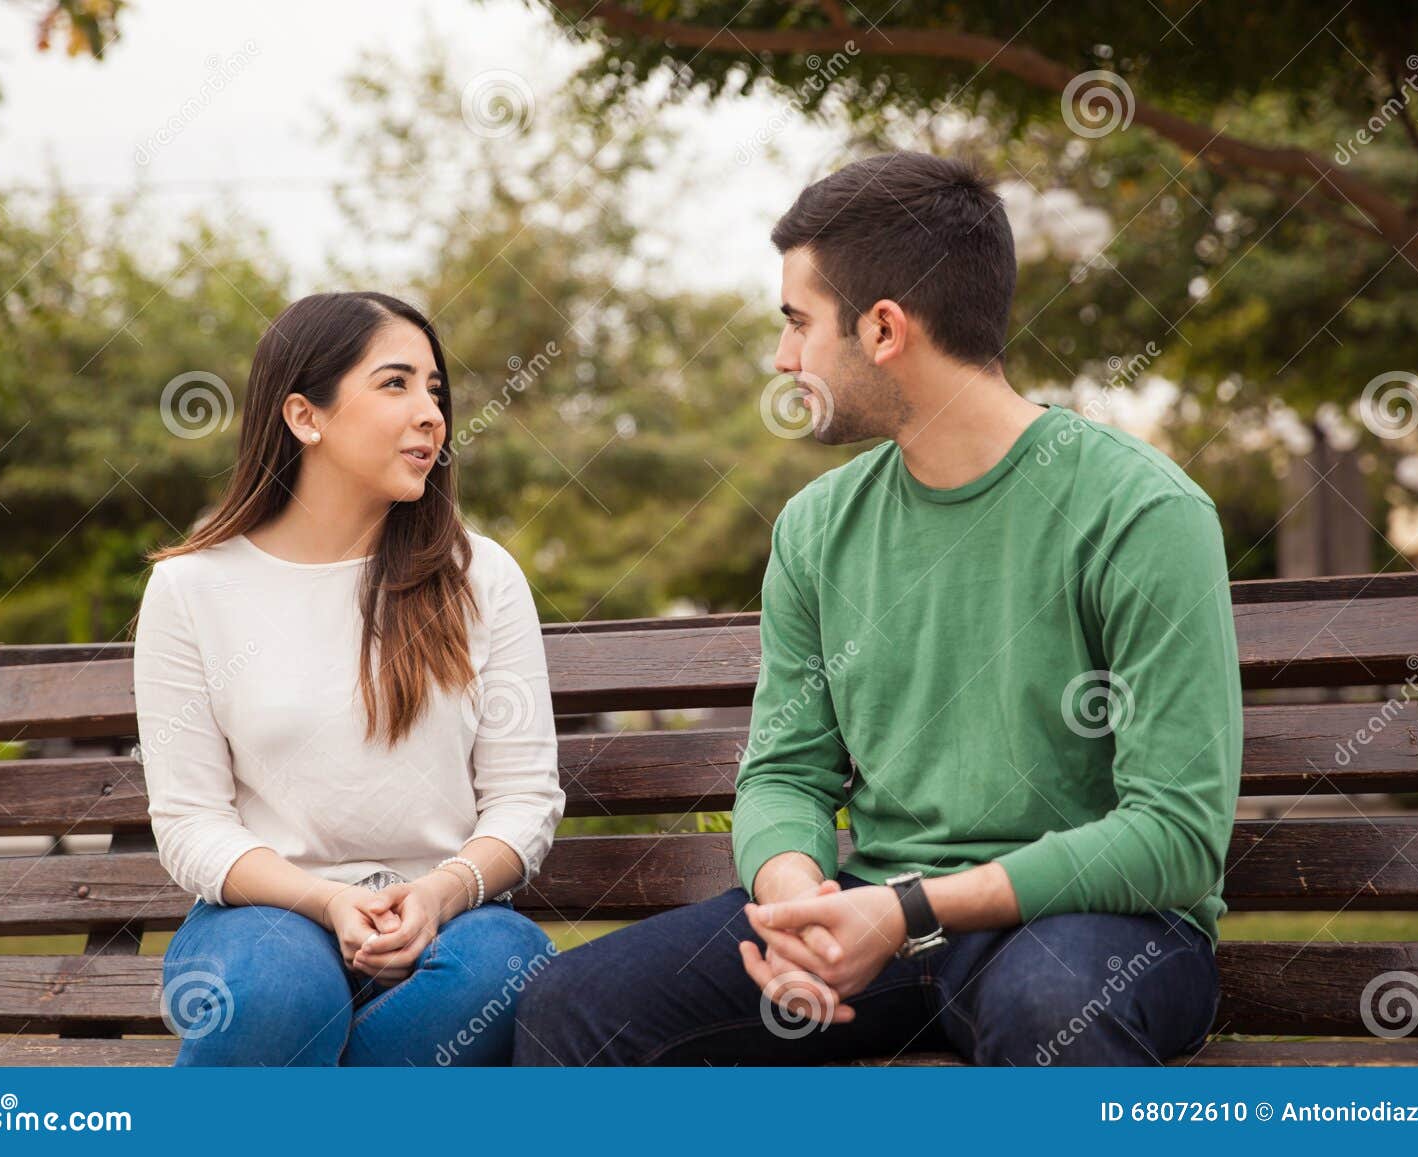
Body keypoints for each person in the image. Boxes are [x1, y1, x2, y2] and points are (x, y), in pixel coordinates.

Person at [515, 152, 1240, 1067]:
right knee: (575, 1008)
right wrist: (798, 903)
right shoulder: (818, 527)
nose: (784, 357)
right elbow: (784, 770)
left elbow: (1174, 838)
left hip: (1097, 926)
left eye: (798, 322)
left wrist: (905, 910)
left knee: (1051, 1008)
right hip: (874, 917)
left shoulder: (1140, 512)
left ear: (885, 329)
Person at [136, 291, 563, 1066]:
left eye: (435, 389)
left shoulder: (482, 577)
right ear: (305, 416)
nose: (430, 412)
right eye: (395, 384)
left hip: (453, 920)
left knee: (510, 966)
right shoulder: (191, 587)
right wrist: (329, 899)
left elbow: (524, 800)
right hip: (267, 918)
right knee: (278, 997)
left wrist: (439, 892)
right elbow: (190, 822)